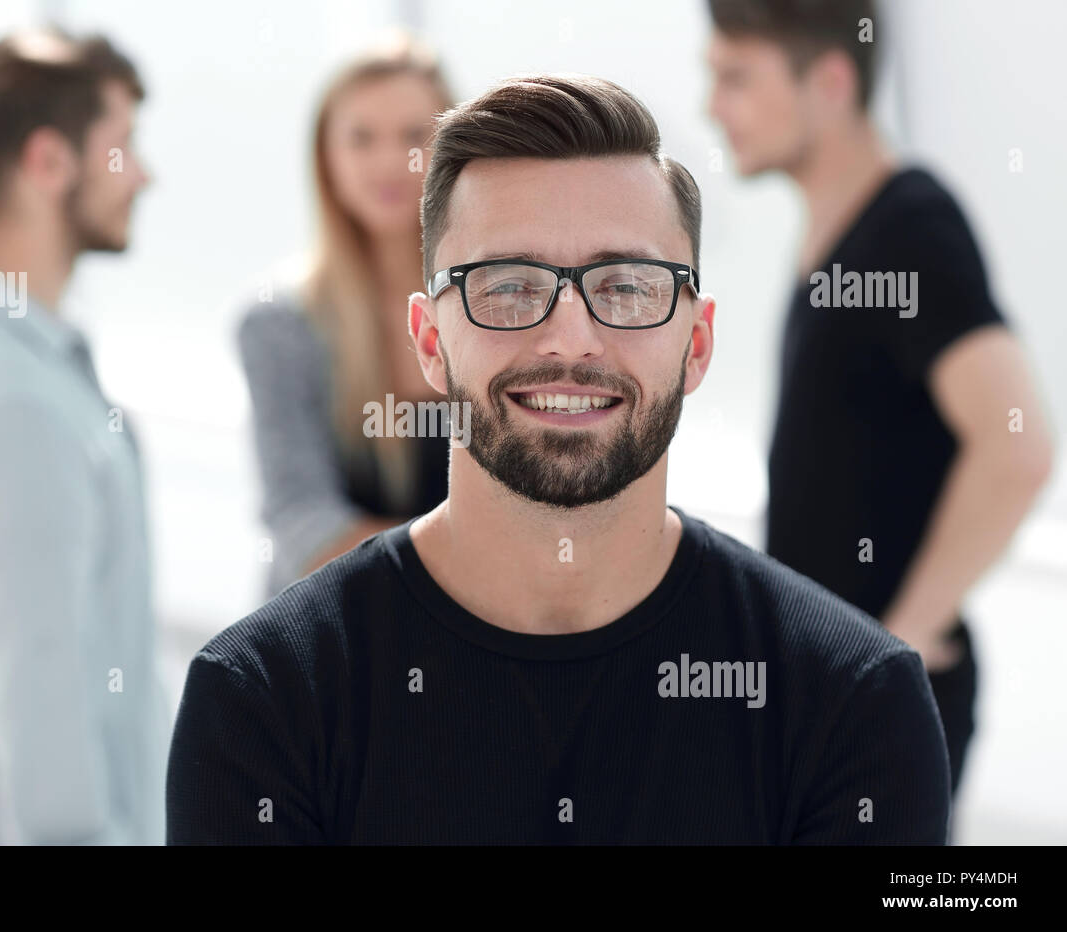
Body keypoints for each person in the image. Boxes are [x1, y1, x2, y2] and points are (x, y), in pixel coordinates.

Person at [167, 73, 952, 845]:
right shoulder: (263, 701)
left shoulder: (853, 702)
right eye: (507, 287)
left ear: (697, 343)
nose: (571, 338)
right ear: (432, 343)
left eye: (628, 286)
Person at [706, 0, 1055, 797]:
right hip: (834, 691)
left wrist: (904, 637)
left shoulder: (910, 225)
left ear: (829, 81)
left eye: (736, 77)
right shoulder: (837, 230)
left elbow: (1019, 445)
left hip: (884, 700)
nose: (711, 107)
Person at [0, 27, 168, 844]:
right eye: (121, 147)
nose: (145, 175)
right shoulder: (15, 403)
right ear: (50, 163)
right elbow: (42, 734)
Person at [237, 31, 457, 598]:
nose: (389, 161)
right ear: (326, 158)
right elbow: (303, 523)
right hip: (339, 639)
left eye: (414, 136)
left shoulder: (504, 308)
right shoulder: (278, 323)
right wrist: (478, 568)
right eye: (361, 138)